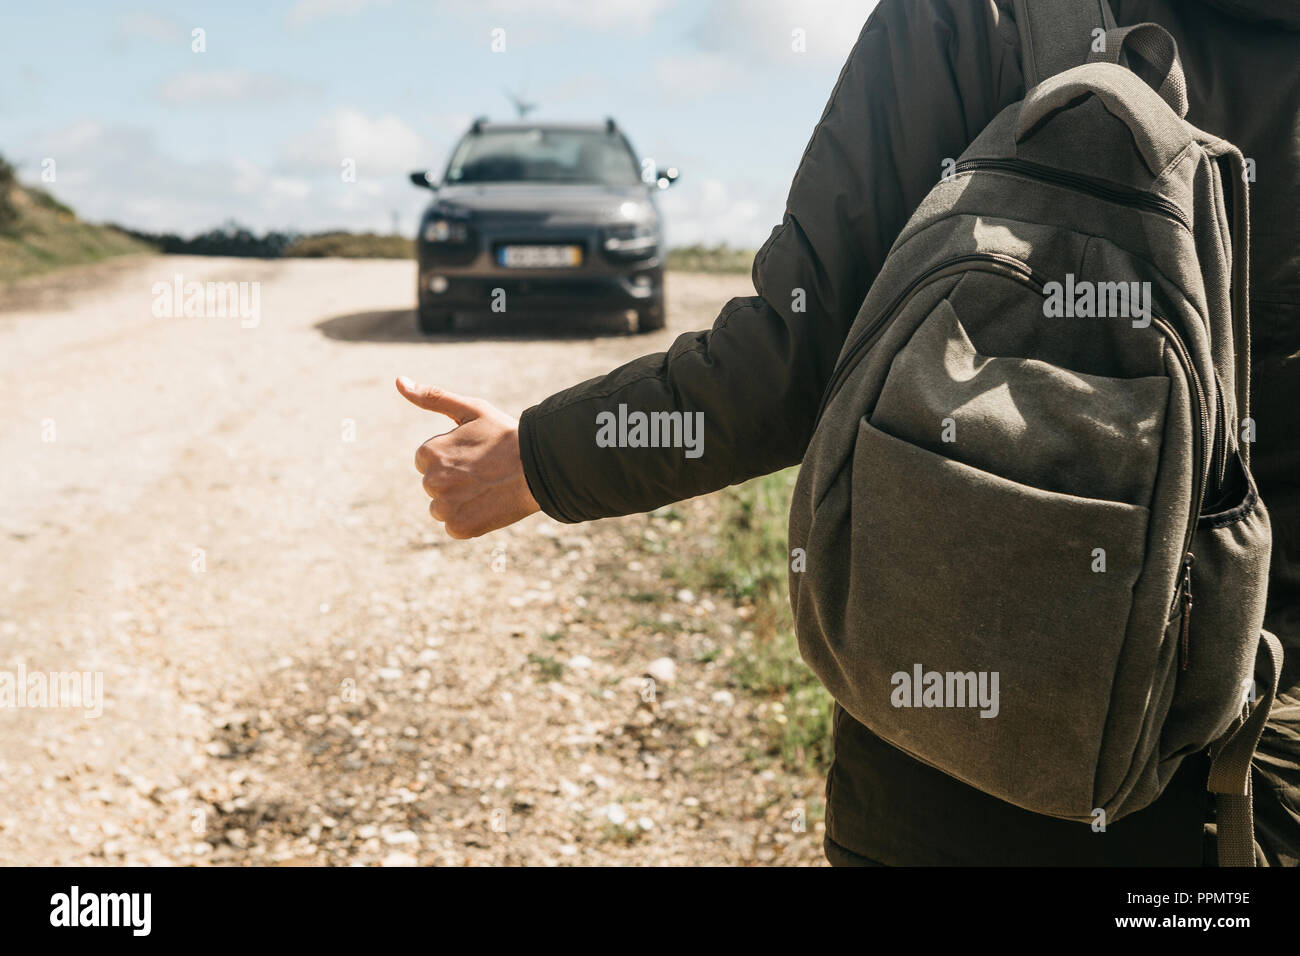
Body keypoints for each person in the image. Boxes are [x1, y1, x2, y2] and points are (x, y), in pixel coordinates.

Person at [396, 0, 1300, 865]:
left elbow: (798, 350)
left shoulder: (980, 14)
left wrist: (539, 459)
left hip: (973, 757)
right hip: (1259, 757)